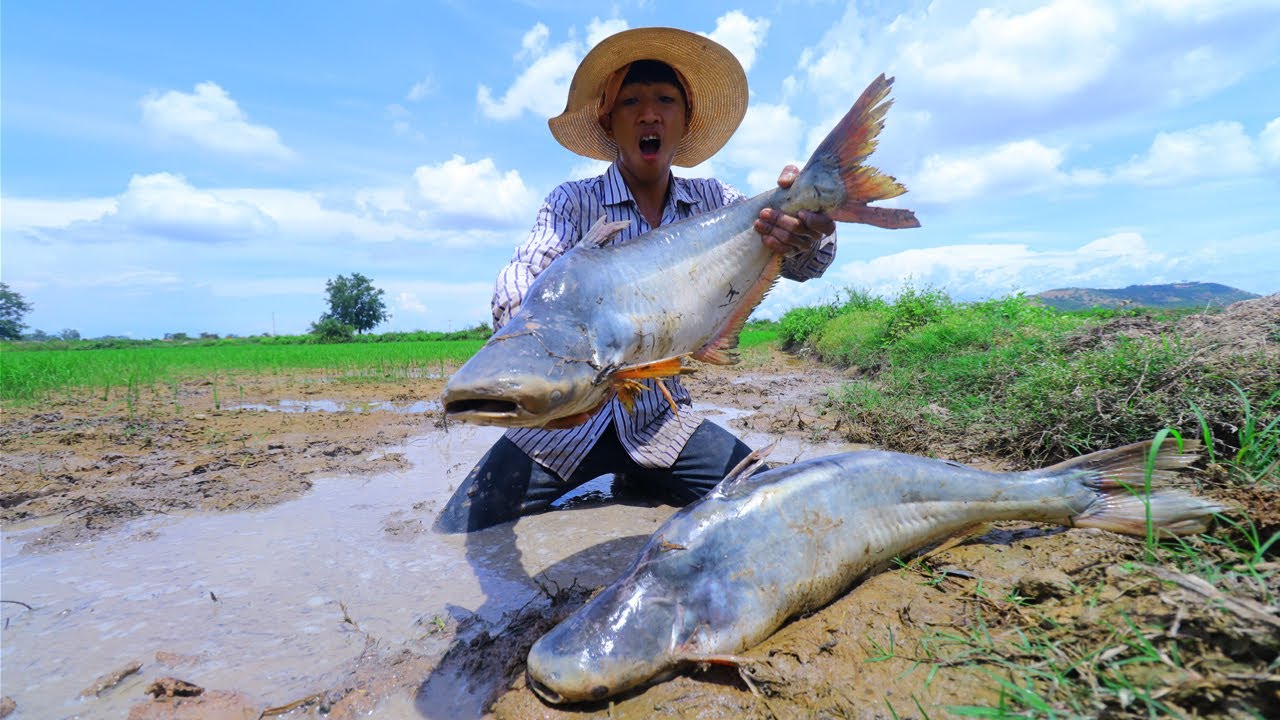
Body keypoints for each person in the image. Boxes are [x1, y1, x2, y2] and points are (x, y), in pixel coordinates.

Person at [436, 27, 836, 534]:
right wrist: (536, 355)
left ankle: (641, 478)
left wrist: (807, 228)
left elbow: (808, 265)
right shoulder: (572, 202)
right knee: (458, 527)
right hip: (559, 428)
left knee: (769, 503)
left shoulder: (716, 202)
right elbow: (524, 272)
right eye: (631, 102)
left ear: (685, 120)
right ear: (609, 120)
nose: (650, 114)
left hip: (663, 422)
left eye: (666, 100)